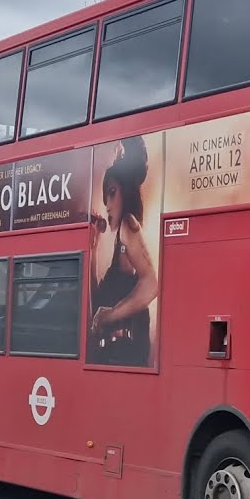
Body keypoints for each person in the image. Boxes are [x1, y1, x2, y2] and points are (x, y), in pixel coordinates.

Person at [89, 137, 158, 366]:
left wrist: (110, 315)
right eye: (105, 196)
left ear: (125, 192)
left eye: (112, 192)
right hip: (114, 353)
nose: (107, 204)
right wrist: (92, 249)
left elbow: (151, 284)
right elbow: (96, 302)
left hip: (125, 353)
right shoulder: (119, 241)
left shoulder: (128, 225)